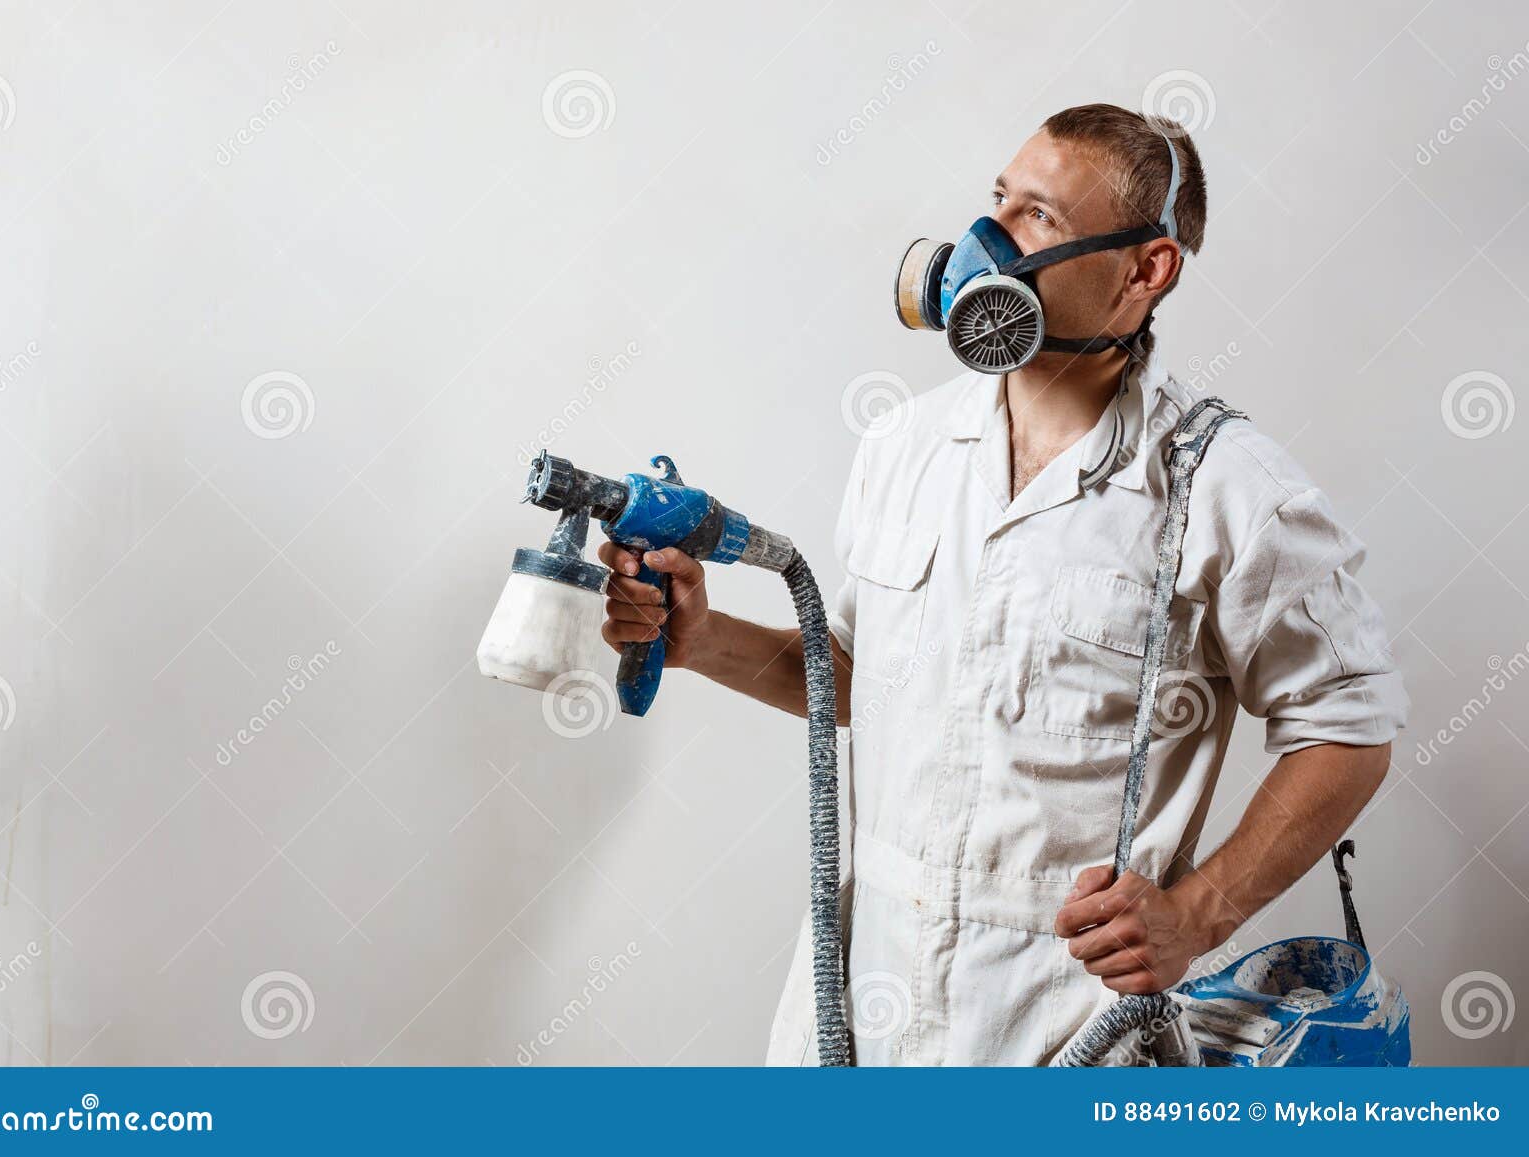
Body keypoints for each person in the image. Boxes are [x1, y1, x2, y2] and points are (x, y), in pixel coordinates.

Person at [597, 103, 1407, 1065]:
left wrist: (1197, 913)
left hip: (1065, 1017)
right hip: (865, 998)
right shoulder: (904, 444)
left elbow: (1348, 729)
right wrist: (698, 636)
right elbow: (858, 675)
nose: (984, 244)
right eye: (999, 201)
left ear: (1146, 270)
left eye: (1040, 220)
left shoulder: (1229, 492)